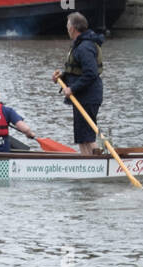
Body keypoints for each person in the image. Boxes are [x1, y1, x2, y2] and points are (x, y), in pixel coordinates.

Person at [52, 10, 104, 157]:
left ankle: (97, 164)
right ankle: (87, 163)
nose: (67, 28)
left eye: (68, 25)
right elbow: (77, 72)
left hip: (88, 97)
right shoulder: (79, 45)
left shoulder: (85, 47)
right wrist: (61, 77)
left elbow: (90, 73)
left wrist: (72, 88)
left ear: (73, 28)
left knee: (87, 135)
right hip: (81, 97)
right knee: (81, 136)